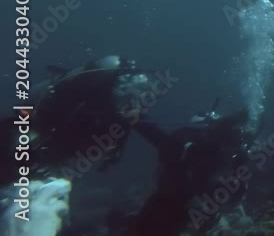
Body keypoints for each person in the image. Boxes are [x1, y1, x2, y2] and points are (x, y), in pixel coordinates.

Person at [0, 55, 154, 185]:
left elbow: (127, 125)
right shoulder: (75, 99)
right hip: (34, 134)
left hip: (49, 146)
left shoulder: (111, 109)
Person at [112, 106, 252, 236]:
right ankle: (124, 224)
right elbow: (161, 140)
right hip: (170, 198)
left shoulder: (235, 154)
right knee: (152, 225)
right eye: (234, 144)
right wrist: (138, 118)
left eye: (239, 143)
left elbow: (235, 190)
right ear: (224, 141)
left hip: (187, 203)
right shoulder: (198, 148)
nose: (235, 150)